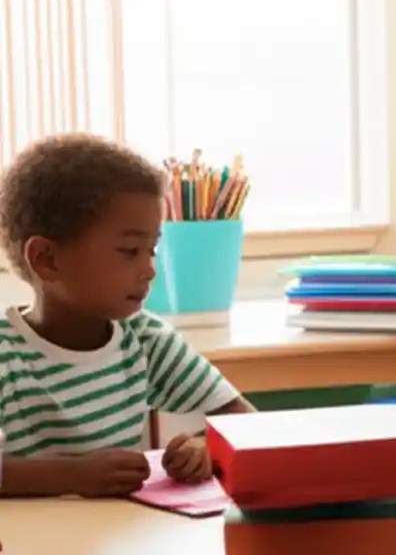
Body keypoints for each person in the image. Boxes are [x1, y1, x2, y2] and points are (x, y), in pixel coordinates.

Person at [0, 134, 255, 498]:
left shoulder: (145, 339)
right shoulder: (7, 355)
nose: (150, 270)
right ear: (47, 259)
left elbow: (246, 422)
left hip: (123, 543)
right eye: (130, 251)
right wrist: (72, 476)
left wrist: (206, 446)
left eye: (151, 250)